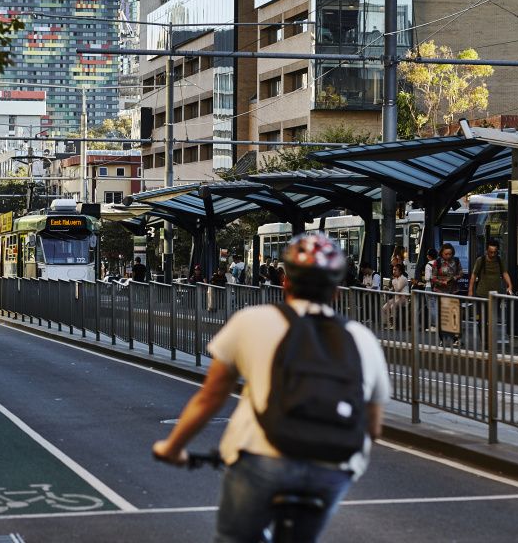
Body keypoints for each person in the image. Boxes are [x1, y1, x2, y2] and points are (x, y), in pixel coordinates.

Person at [153, 233, 390, 543]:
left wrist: (173, 447)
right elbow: (372, 428)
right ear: (335, 292)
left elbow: (210, 397)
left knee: (235, 538)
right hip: (333, 467)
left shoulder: (251, 321)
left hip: (262, 459)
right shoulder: (362, 339)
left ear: (285, 282)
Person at [382, 263, 409, 329]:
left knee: (393, 306)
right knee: (384, 307)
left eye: (395, 270)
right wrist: (388, 290)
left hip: (403, 298)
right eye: (393, 270)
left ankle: (393, 324)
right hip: (396, 297)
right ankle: (389, 322)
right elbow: (394, 290)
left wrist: (393, 281)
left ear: (400, 271)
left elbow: (398, 290)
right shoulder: (396, 279)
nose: (394, 271)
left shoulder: (403, 279)